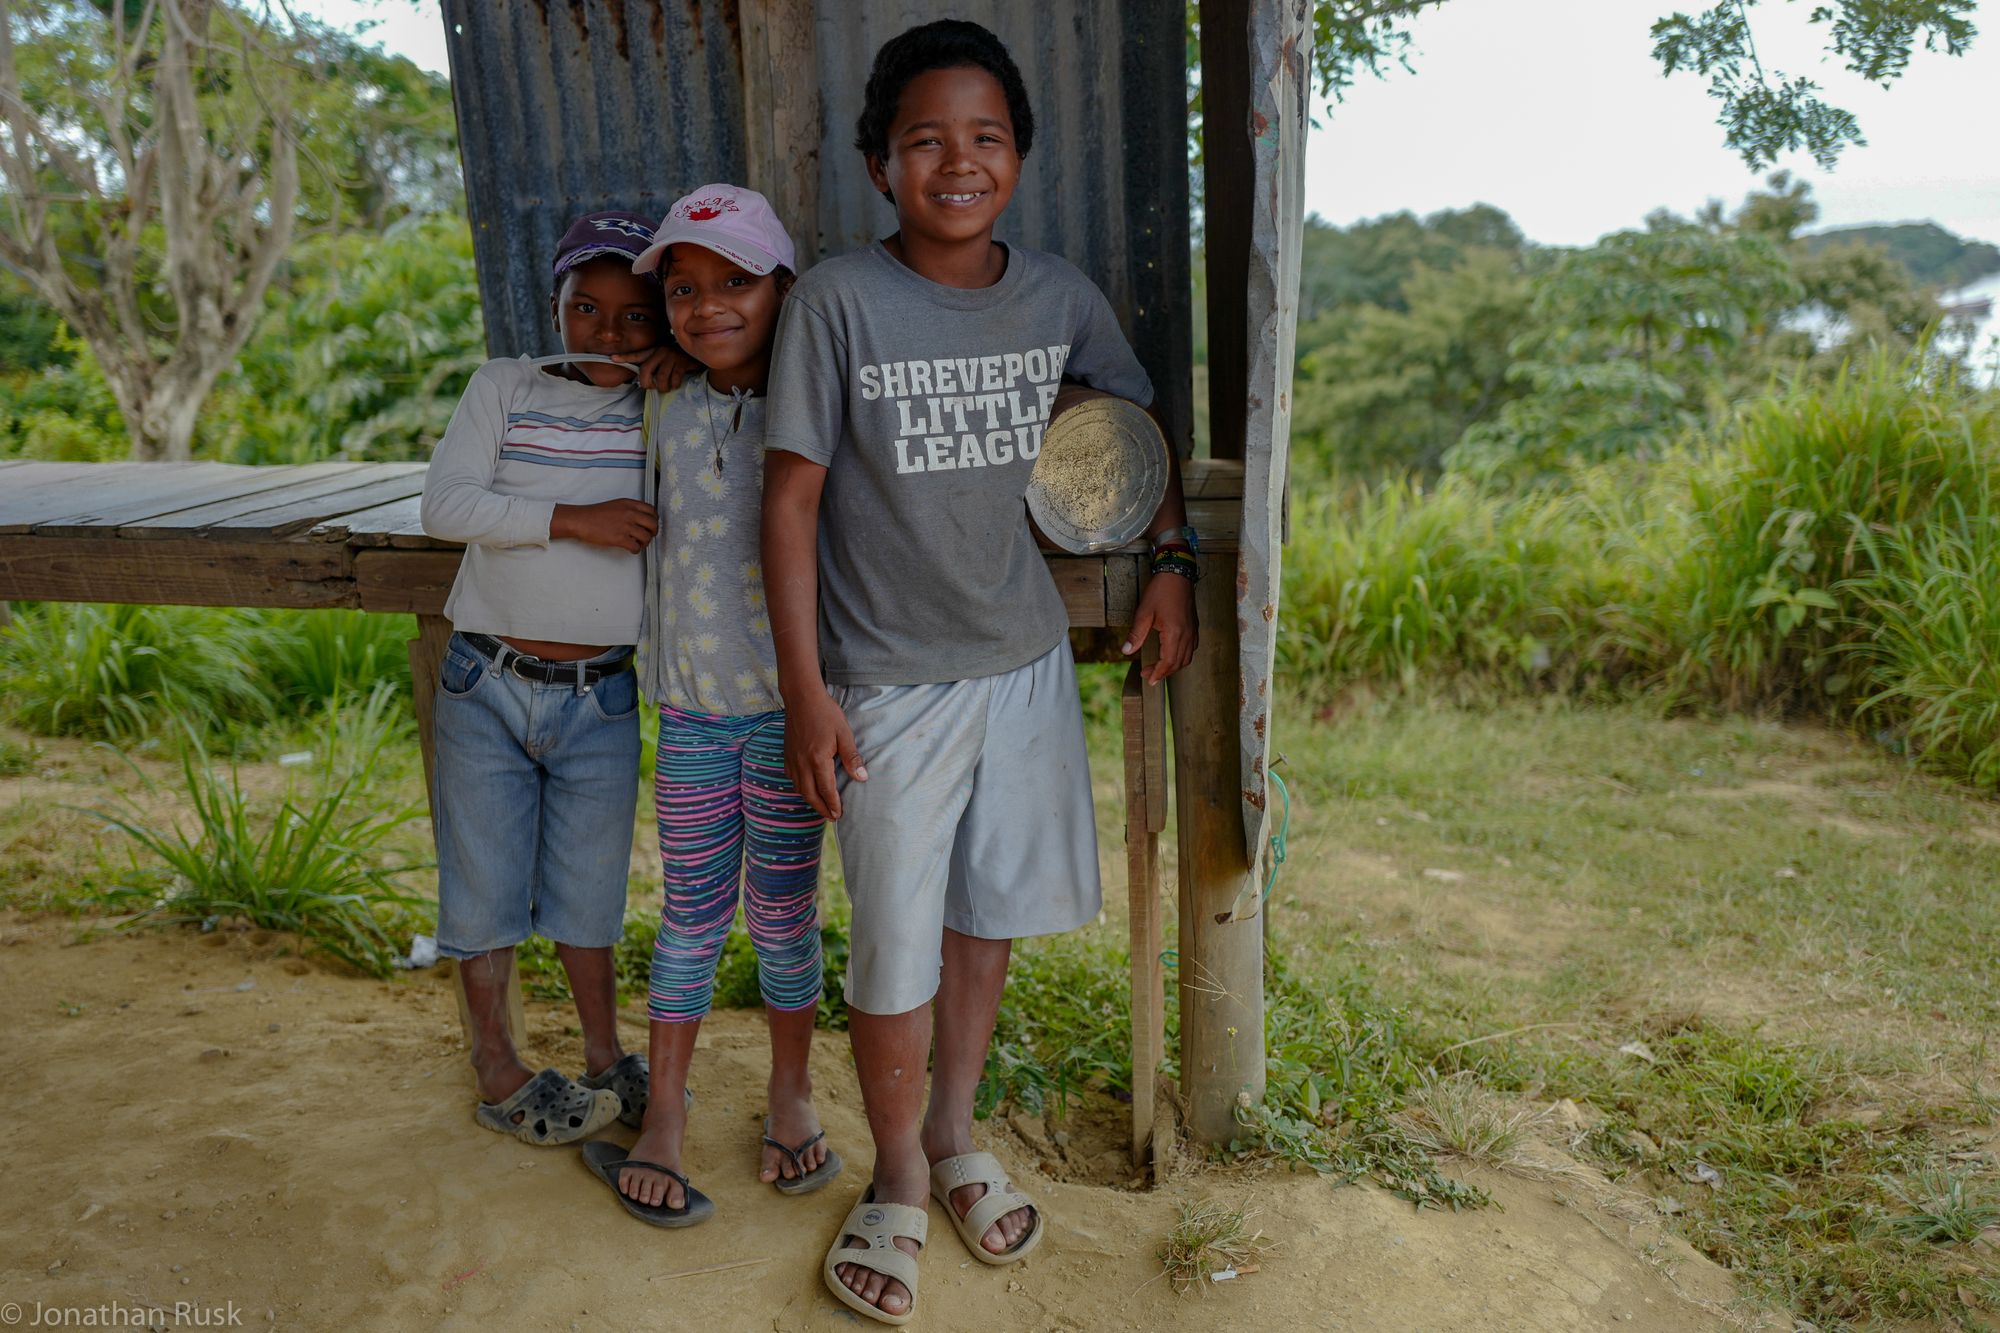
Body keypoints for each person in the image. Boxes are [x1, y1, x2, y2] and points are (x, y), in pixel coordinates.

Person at [759, 20, 1198, 1324]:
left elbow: (1133, 433)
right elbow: (789, 504)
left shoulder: (1057, 297)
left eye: (986, 137)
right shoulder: (837, 302)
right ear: (879, 164)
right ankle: (895, 1171)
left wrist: (1170, 557)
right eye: (926, 140)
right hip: (884, 682)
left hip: (1020, 666)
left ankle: (951, 1131)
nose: (959, 162)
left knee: (982, 916)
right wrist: (806, 692)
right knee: (894, 944)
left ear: (1020, 155)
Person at [575, 185, 842, 1227]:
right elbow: (580, 372)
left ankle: (791, 1091)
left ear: (784, 290)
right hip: (689, 713)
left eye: (735, 281)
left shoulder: (814, 407)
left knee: (782, 915)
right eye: (682, 290)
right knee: (689, 914)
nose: (707, 306)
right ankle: (666, 1115)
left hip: (789, 716)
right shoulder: (663, 399)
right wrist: (660, 358)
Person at [419, 210, 683, 1146]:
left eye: (635, 315)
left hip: (600, 695)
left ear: (665, 320)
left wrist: (679, 378)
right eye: (585, 308)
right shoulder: (504, 385)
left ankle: (605, 1053)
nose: (608, 332)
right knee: (482, 879)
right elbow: (446, 506)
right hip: (484, 681)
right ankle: (496, 1060)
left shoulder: (664, 407)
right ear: (556, 308)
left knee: (588, 886)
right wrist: (575, 518)